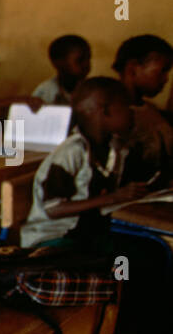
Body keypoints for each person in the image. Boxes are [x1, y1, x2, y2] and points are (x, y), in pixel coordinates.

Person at [20, 77, 143, 249]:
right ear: (105, 111)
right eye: (127, 107)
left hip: (85, 235)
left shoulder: (116, 148)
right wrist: (113, 197)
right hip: (52, 239)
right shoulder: (71, 151)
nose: (132, 113)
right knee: (121, 255)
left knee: (138, 249)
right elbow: (53, 208)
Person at [112, 33, 172, 185]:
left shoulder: (153, 111)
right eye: (162, 70)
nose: (166, 79)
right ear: (132, 69)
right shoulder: (110, 114)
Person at [32, 34, 91, 106]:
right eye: (80, 60)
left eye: (88, 58)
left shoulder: (93, 90)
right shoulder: (45, 91)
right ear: (58, 63)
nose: (86, 64)